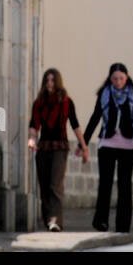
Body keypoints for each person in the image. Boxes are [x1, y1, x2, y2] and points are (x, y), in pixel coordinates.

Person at [83, 62, 133, 232]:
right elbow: (95, 117)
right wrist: (84, 141)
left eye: (121, 78)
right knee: (105, 183)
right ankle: (101, 221)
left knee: (125, 185)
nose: (118, 82)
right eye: (115, 79)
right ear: (110, 79)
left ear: (126, 78)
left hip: (128, 144)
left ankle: (123, 225)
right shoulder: (105, 93)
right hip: (107, 143)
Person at [28, 68, 88, 231]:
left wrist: (83, 146)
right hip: (44, 147)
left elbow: (75, 125)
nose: (49, 84)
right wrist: (32, 140)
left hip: (60, 148)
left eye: (53, 80)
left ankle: (55, 221)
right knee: (44, 185)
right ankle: (48, 219)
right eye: (47, 80)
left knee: (55, 185)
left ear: (58, 82)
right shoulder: (39, 102)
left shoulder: (66, 101)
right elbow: (34, 124)